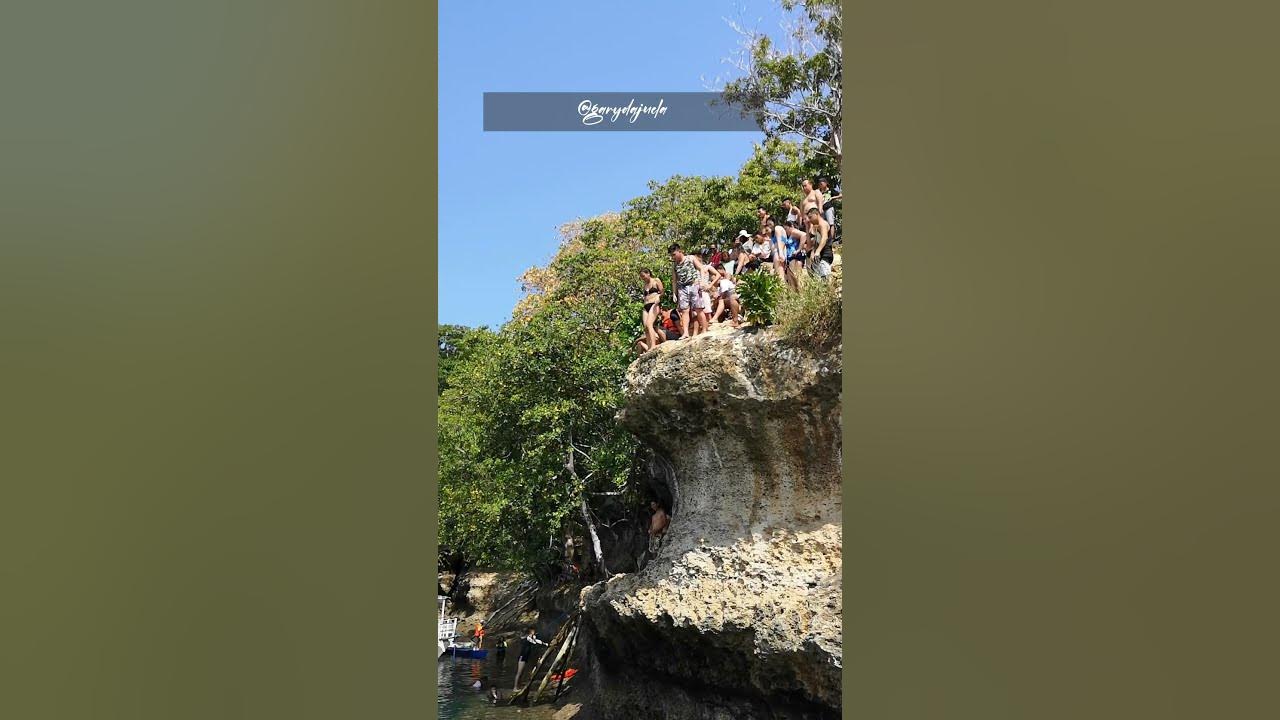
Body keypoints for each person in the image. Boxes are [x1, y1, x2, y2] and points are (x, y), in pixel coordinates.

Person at [668, 243, 708, 338]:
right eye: (671, 255)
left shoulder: (690, 258)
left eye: (674, 254)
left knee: (698, 309)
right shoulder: (675, 265)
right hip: (682, 288)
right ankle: (685, 333)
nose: (673, 257)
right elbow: (674, 280)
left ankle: (704, 329)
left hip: (693, 284)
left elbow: (701, 268)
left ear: (680, 251)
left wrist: (702, 281)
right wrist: (674, 293)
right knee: (684, 310)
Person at [512, 626, 548, 691]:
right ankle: (515, 687)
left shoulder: (530, 638)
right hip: (522, 657)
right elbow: (533, 641)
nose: (535, 632)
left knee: (522, 673)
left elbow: (537, 641)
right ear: (530, 632)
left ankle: (518, 686)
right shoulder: (526, 638)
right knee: (519, 673)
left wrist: (545, 644)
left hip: (526, 656)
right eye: (533, 631)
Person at [639, 268, 663, 352]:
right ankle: (649, 347)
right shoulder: (644, 285)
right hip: (646, 306)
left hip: (654, 304)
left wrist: (658, 297)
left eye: (644, 276)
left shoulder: (656, 280)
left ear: (648, 273)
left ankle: (653, 345)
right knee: (645, 327)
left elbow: (662, 291)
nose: (643, 278)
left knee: (649, 324)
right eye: (641, 277)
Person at [806, 207, 833, 279]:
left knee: (825, 278)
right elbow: (815, 242)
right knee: (817, 278)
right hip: (818, 256)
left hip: (825, 254)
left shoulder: (823, 224)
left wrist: (817, 251)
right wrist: (813, 251)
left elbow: (824, 238)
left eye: (810, 217)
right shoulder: (817, 227)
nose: (809, 220)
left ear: (816, 214)